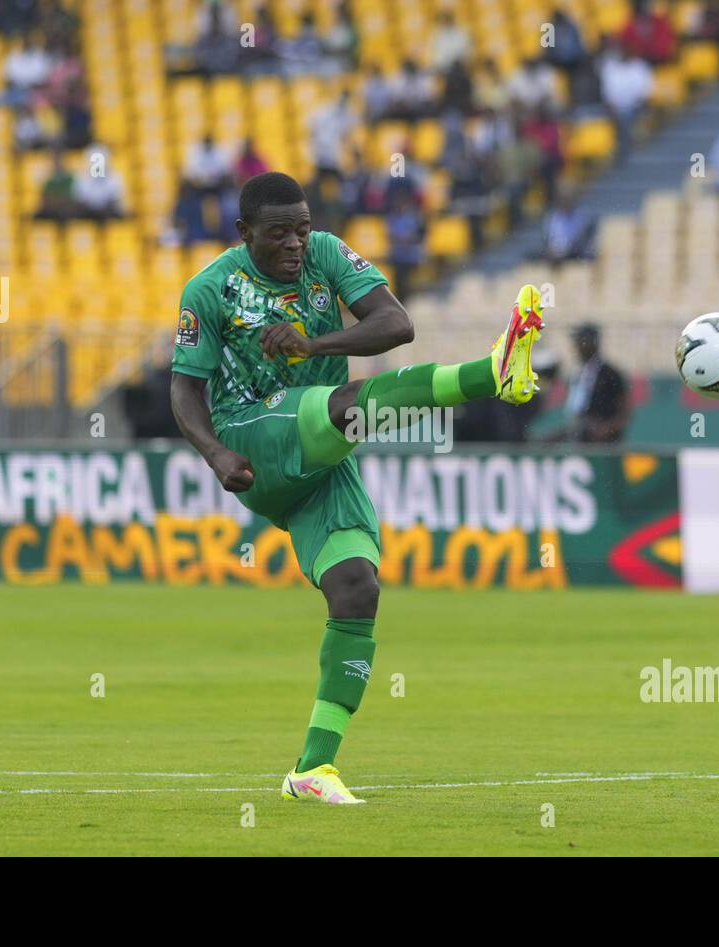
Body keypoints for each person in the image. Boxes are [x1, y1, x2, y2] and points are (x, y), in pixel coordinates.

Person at [169, 172, 547, 804]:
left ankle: (313, 769)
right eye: (279, 232)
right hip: (253, 434)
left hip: (319, 455)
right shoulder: (209, 290)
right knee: (347, 406)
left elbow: (397, 326)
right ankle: (492, 372)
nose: (296, 242)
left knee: (356, 587)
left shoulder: (326, 254)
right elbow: (183, 387)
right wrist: (213, 453)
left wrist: (314, 342)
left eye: (303, 227)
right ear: (245, 234)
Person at [563, 324, 629, 442]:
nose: (577, 347)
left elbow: (624, 409)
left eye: (580, 342)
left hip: (605, 441)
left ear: (591, 344)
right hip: (582, 436)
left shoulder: (610, 374)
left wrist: (607, 429)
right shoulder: (578, 372)